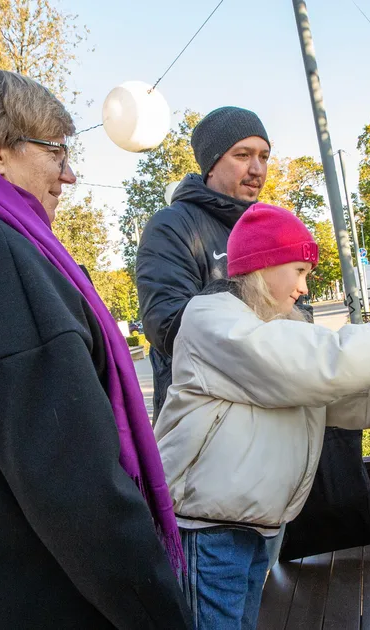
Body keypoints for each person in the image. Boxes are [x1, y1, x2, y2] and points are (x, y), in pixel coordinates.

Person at [0, 68, 190, 629]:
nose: (68, 175)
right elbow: (74, 481)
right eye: (55, 152)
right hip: (51, 599)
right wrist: (158, 611)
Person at [154, 203, 370, 628]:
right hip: (208, 529)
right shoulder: (212, 320)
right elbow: (317, 363)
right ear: (263, 265)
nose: (304, 287)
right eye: (299, 271)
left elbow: (352, 401)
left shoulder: (281, 329)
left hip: (254, 527)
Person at [136, 106, 272, 423]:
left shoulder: (266, 228)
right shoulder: (171, 226)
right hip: (203, 419)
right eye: (243, 155)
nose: (257, 169)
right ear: (211, 164)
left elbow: (299, 312)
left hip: (270, 404)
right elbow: (166, 325)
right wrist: (250, 294)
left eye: (264, 157)